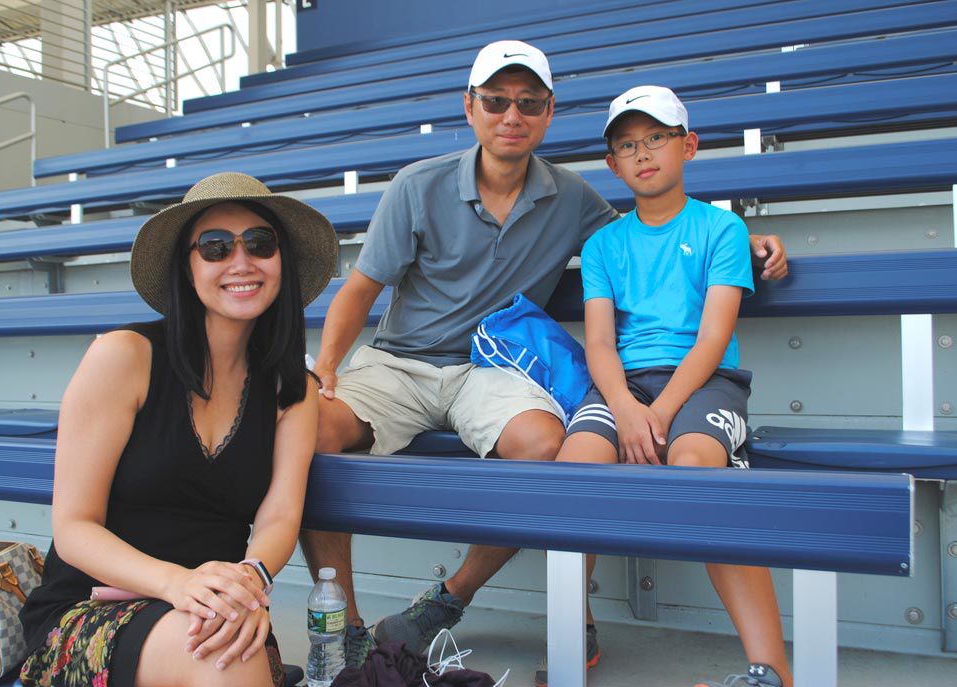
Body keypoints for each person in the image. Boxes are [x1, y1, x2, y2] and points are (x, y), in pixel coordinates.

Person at [303, 40, 789, 666]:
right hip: (401, 361)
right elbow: (360, 291)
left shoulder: (572, 198)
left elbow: (654, 231)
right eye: (497, 101)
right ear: (470, 107)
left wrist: (750, 240)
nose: (512, 115)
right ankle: (343, 625)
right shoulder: (417, 185)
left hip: (492, 368)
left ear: (549, 111)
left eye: (528, 103)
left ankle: (490, 602)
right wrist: (325, 370)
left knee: (543, 451)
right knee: (307, 426)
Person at [18, 172, 338, 687]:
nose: (242, 262)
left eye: (260, 243)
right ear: (188, 269)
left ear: (283, 263)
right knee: (221, 658)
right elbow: (74, 528)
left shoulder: (292, 389)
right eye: (214, 247)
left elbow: (280, 516)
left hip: (215, 607)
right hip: (92, 606)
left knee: (222, 649)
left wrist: (249, 581)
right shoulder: (123, 357)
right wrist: (179, 584)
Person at [546, 86, 793, 687]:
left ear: (689, 145)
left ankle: (770, 669)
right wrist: (629, 410)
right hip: (623, 386)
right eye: (626, 145)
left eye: (656, 138)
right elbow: (601, 344)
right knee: (571, 470)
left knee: (696, 465)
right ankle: (567, 643)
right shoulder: (603, 243)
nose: (643, 153)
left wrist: (658, 415)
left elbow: (711, 341)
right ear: (612, 164)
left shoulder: (722, 228)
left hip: (706, 385)